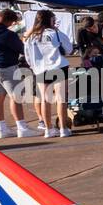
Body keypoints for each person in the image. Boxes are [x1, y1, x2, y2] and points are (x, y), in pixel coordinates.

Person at [0, 9, 41, 139]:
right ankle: (22, 127)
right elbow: (22, 49)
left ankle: (2, 128)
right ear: (9, 21)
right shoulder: (8, 35)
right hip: (4, 66)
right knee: (16, 97)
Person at [23, 9, 75, 138]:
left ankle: (49, 129)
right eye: (53, 19)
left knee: (45, 100)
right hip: (59, 66)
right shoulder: (55, 33)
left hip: (40, 69)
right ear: (49, 20)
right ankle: (63, 129)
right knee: (61, 99)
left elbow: (27, 56)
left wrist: (34, 67)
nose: (55, 21)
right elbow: (68, 50)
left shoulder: (31, 36)